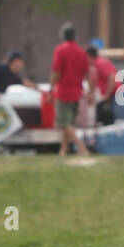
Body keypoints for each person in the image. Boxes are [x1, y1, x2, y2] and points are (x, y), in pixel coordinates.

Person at [50, 24, 90, 158]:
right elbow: (86, 72)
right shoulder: (81, 51)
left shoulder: (61, 50)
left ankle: (82, 148)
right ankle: (63, 151)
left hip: (63, 91)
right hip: (77, 91)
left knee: (64, 123)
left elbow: (57, 71)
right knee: (70, 123)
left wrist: (51, 88)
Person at [87, 42, 120, 127]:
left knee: (119, 124)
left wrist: (106, 96)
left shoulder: (100, 63)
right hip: (113, 96)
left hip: (118, 95)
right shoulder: (94, 66)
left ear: (89, 56)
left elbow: (112, 78)